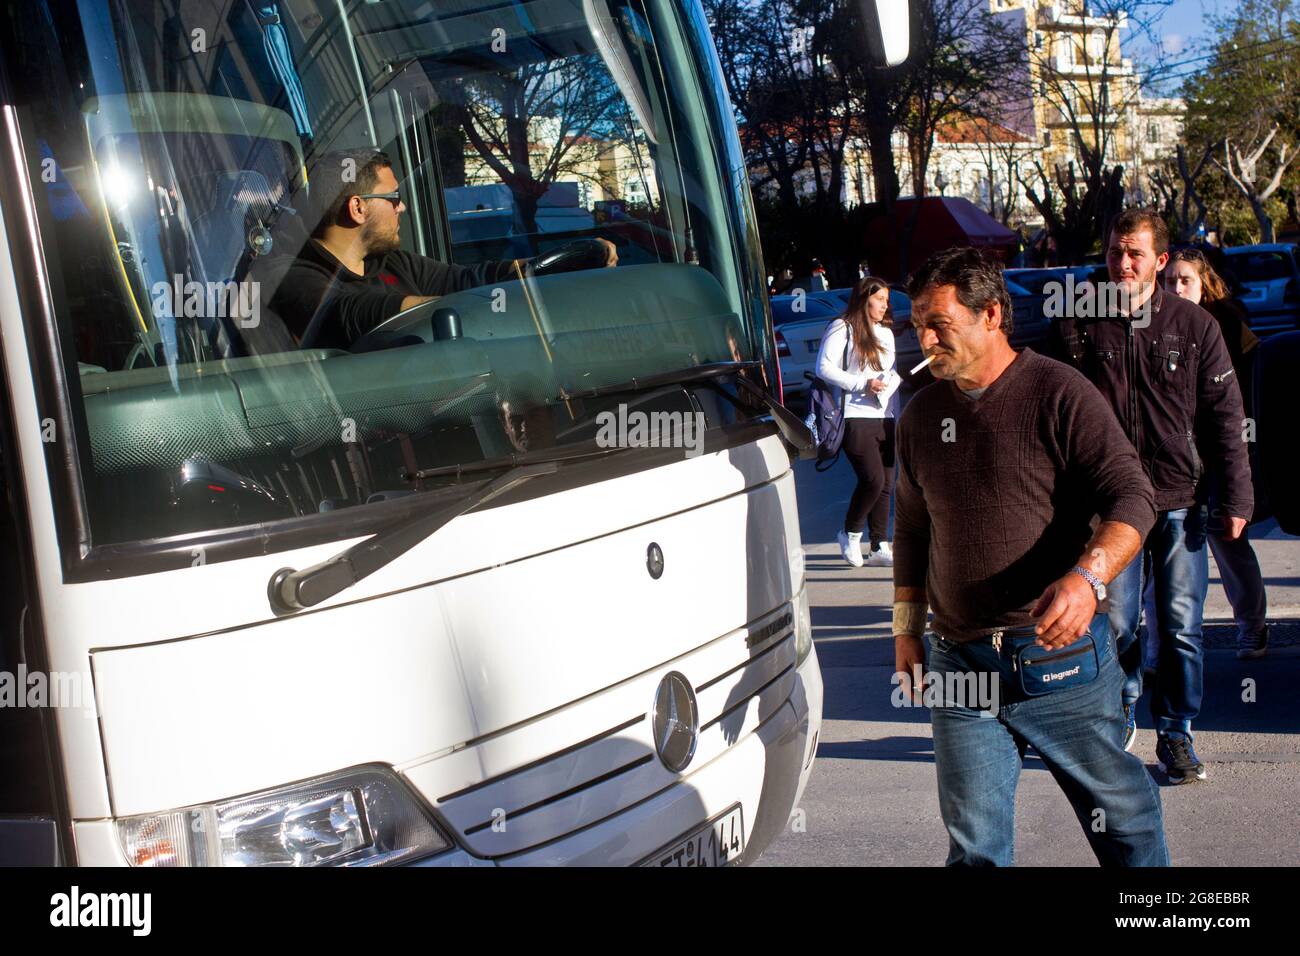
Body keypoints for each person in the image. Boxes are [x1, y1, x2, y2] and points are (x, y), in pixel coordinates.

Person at [893, 247, 1167, 867]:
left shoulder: (1058, 392)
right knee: (976, 849)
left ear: (991, 315)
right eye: (917, 327)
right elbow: (910, 528)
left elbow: (1134, 496)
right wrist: (907, 631)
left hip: (1057, 660)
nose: (927, 339)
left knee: (1124, 823)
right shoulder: (919, 416)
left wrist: (1087, 577)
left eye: (940, 324)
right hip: (959, 664)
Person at [1047, 208, 1253, 783]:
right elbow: (1052, 410)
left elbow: (1224, 417)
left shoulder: (1194, 326)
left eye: (1135, 253)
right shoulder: (1079, 323)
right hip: (1111, 505)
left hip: (1181, 500)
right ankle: (1120, 713)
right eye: (1115, 251)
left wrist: (1237, 496)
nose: (1122, 263)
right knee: (1117, 625)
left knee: (1182, 623)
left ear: (1160, 261)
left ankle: (1177, 734)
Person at [262, 149, 616, 349]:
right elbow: (354, 313)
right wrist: (471, 307)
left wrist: (550, 263)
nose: (403, 208)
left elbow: (464, 279)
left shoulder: (393, 263)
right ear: (358, 208)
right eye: (394, 199)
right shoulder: (290, 275)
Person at [1165, 248, 1269, 660]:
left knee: (1229, 541)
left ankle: (1252, 626)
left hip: (1221, 450)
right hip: (1174, 457)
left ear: (1204, 283)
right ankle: (1167, 647)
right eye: (1169, 281)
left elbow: (1248, 386)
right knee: (1171, 549)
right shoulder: (1151, 321)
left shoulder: (1225, 322)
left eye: (1185, 280)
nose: (1175, 288)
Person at [814, 277, 901, 567]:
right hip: (854, 414)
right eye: (880, 300)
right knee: (872, 479)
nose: (885, 305)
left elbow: (888, 372)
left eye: (887, 300)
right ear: (865, 299)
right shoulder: (843, 328)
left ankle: (879, 545)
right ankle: (850, 533)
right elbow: (823, 367)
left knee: (887, 482)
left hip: (884, 415)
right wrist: (862, 384)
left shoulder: (885, 333)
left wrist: (889, 389)